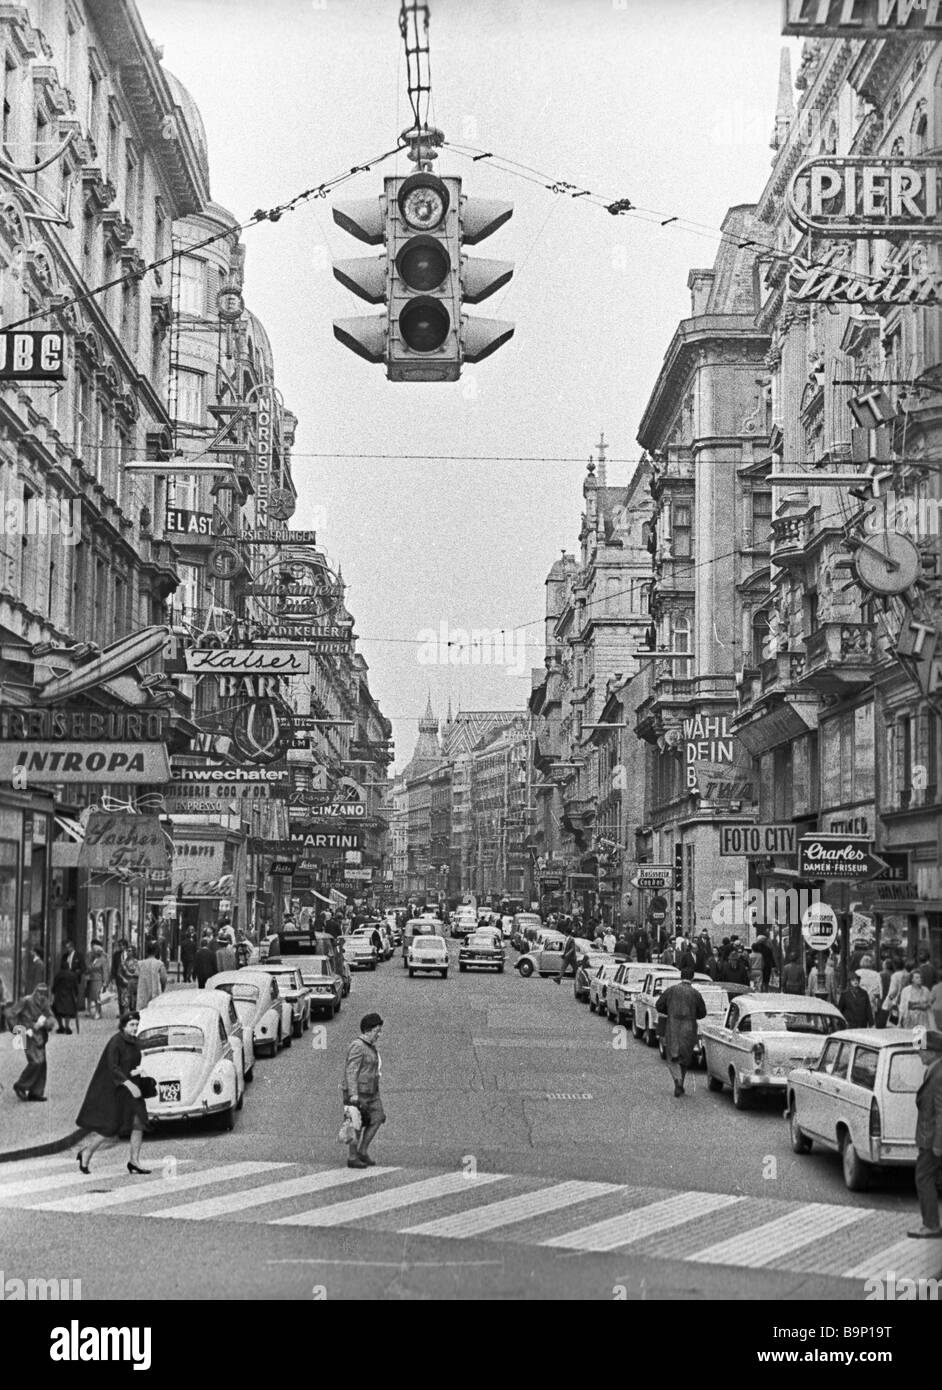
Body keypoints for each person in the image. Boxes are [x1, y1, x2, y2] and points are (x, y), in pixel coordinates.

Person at [75, 1012, 152, 1175]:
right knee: (111, 1127)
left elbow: (131, 1063)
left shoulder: (135, 1042)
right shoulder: (115, 1042)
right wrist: (129, 1084)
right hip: (117, 1091)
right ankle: (87, 1152)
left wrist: (139, 1072)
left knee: (139, 1123)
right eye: (132, 1025)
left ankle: (134, 1161)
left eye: (137, 1025)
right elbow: (113, 1068)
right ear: (123, 1026)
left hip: (133, 1089)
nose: (135, 1028)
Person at [907, 1028, 942, 1239]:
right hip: (932, 1137)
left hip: (932, 1140)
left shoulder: (938, 1075)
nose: (919, 1053)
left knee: (924, 1177)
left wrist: (938, 1143)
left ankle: (931, 1225)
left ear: (933, 1051)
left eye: (922, 1049)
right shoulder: (934, 1069)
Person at [342, 1013, 385, 1169]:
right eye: (377, 1031)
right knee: (357, 1124)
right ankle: (353, 1157)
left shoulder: (370, 1047)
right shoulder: (358, 1046)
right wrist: (353, 1094)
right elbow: (351, 1070)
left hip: (371, 1092)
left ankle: (362, 1151)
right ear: (368, 1030)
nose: (379, 1034)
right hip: (358, 1093)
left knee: (378, 1117)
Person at [656, 965, 707, 1097]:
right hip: (689, 1028)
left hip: (672, 1026)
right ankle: (680, 1083)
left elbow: (659, 1005)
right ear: (692, 977)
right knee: (685, 1057)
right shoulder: (695, 993)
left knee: (673, 1056)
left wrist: (671, 1012)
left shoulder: (671, 990)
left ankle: (678, 1082)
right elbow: (703, 1013)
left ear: (681, 976)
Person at [10, 984, 52, 1100]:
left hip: (40, 1036)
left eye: (44, 994)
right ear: (36, 993)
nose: (42, 997)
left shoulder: (45, 1003)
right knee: (36, 1061)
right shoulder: (26, 1001)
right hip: (27, 1035)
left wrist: (44, 1024)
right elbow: (11, 1014)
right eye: (40, 994)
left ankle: (36, 1092)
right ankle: (21, 1085)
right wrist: (19, 1029)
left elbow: (50, 1017)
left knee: (42, 1063)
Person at [51, 958, 81, 1034]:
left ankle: (61, 1026)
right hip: (69, 995)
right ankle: (67, 1027)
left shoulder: (58, 975)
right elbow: (75, 987)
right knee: (67, 1012)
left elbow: (54, 986)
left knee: (57, 1012)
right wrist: (76, 996)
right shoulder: (72, 975)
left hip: (59, 995)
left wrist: (53, 994)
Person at [135, 943, 167, 1012]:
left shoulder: (140, 963)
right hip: (155, 992)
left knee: (142, 1012)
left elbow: (135, 977)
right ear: (156, 951)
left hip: (143, 992)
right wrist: (163, 988)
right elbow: (163, 978)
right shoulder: (159, 964)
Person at [85, 940, 107, 1021]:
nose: (93, 953)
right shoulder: (93, 959)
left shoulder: (103, 960)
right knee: (93, 997)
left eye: (94, 951)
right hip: (92, 980)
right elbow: (88, 967)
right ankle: (98, 1011)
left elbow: (105, 971)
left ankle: (98, 1012)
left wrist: (105, 982)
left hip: (98, 980)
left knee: (98, 997)